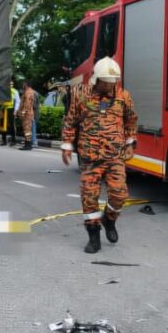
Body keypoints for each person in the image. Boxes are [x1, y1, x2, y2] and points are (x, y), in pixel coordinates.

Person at [60, 57, 138, 254]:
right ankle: (93, 237)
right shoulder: (82, 95)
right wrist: (67, 145)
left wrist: (130, 143)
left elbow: (131, 120)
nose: (111, 85)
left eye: (114, 82)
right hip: (90, 158)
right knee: (89, 198)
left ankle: (109, 220)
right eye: (107, 82)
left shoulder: (123, 96)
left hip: (115, 156)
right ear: (97, 79)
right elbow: (70, 121)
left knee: (120, 194)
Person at [18, 81, 38, 150]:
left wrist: (23, 112)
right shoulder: (28, 91)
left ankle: (28, 145)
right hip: (28, 113)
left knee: (27, 130)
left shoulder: (28, 92)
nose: (22, 85)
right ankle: (27, 144)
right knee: (27, 129)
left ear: (26, 85)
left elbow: (27, 103)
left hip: (27, 114)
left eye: (23, 84)